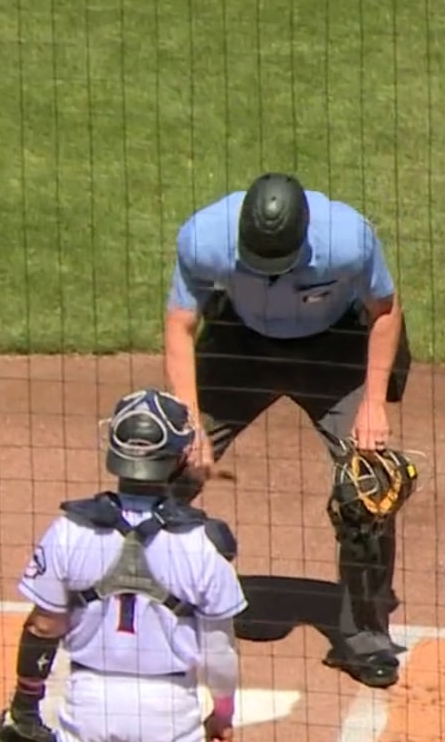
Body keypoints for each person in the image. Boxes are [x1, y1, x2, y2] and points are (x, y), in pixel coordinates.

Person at [162, 172, 413, 688]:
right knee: (169, 461)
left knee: (368, 487)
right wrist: (189, 420)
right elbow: (181, 325)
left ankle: (365, 633)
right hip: (241, 342)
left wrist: (372, 402)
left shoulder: (349, 240)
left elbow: (385, 312)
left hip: (334, 344)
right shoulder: (204, 238)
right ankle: (155, 606)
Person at [0, 388, 247, 742]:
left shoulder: (69, 530)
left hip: (88, 704)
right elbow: (219, 650)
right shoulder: (203, 544)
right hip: (166, 710)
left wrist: (25, 704)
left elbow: (43, 626)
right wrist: (221, 712)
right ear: (178, 457)